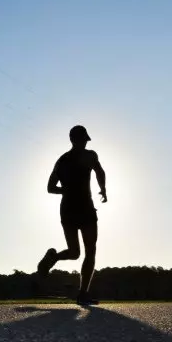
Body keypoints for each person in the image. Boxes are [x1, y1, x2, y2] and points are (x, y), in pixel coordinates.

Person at [36, 125, 107, 306]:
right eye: (84, 139)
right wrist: (103, 189)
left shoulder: (62, 160)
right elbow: (99, 171)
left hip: (67, 209)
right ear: (80, 139)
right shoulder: (90, 155)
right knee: (89, 251)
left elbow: (51, 188)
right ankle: (83, 294)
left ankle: (53, 258)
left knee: (75, 252)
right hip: (84, 208)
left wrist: (66, 189)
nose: (84, 142)